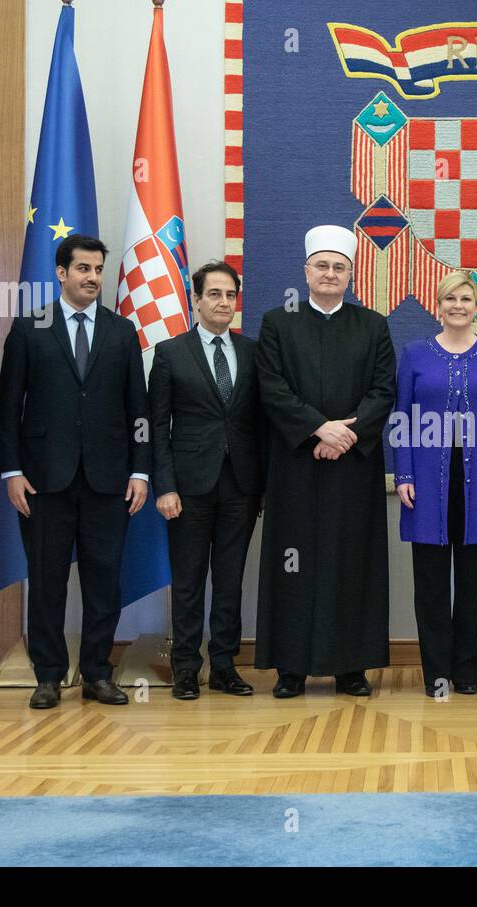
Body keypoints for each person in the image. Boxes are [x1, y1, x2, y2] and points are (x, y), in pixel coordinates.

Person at [0, 235, 151, 710]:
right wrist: (12, 471)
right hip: (44, 480)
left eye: (98, 269)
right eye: (82, 268)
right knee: (46, 580)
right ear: (61, 273)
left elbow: (137, 409)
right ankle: (48, 675)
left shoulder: (121, 331)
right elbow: (7, 409)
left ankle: (98, 673)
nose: (92, 277)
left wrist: (141, 472)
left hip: (109, 480)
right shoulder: (29, 328)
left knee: (104, 580)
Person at [254, 225, 396, 698]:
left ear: (351, 274)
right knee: (293, 562)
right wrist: (318, 428)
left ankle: (350, 666)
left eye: (340, 267)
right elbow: (272, 389)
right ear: (306, 272)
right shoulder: (278, 322)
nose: (331, 274)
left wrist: (344, 435)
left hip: (352, 467)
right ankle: (291, 667)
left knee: (351, 563)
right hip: (295, 466)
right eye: (323, 266)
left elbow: (383, 392)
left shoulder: (373, 325)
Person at [393, 272, 477, 697]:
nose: (459, 306)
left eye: (466, 298)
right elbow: (403, 418)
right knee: (429, 586)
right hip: (426, 484)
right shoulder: (413, 354)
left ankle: (466, 672)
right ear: (438, 305)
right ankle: (436, 674)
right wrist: (404, 473)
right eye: (450, 299)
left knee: (471, 585)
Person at [150, 261, 266, 701]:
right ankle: (185, 669)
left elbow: (263, 423)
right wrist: (165, 486)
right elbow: (157, 426)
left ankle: (224, 666)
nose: (223, 303)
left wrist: (265, 486)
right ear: (195, 300)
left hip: (241, 485)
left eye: (230, 295)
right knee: (188, 580)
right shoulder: (170, 352)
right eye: (214, 294)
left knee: (231, 579)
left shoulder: (254, 352)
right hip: (187, 487)